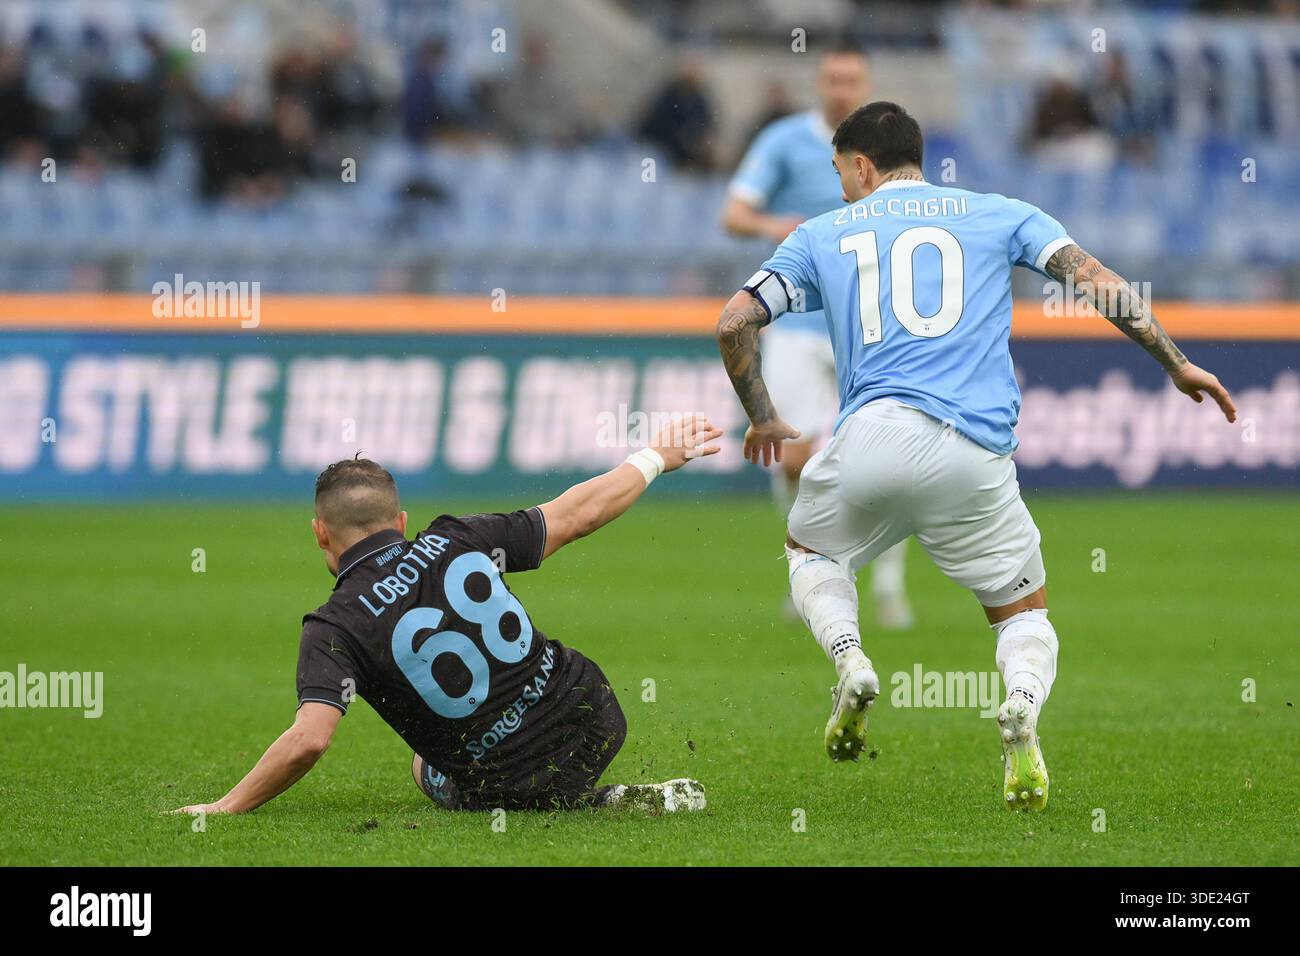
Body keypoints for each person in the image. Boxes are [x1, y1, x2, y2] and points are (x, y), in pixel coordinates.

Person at [715, 102, 1236, 810]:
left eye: (841, 173)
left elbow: (734, 321)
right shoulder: (1003, 213)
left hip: (869, 437)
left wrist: (765, 416)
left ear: (862, 166)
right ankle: (1020, 705)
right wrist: (1175, 364)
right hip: (975, 454)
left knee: (809, 552)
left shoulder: (820, 233)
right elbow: (1098, 282)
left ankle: (851, 660)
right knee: (1024, 613)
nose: (841, 188)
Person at [173, 418, 722, 816]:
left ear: (319, 532)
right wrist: (653, 458)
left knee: (424, 764)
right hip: (596, 716)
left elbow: (311, 739)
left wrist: (225, 807)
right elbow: (576, 515)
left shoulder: (333, 626)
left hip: (511, 782)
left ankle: (594, 804)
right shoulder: (457, 536)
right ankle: (590, 793)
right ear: (402, 519)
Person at [721, 42, 912, 629]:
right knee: (793, 456)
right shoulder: (784, 141)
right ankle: (809, 572)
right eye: (832, 79)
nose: (841, 89)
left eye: (851, 79)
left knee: (892, 454)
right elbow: (733, 214)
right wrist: (773, 224)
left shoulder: (886, 146)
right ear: (820, 82)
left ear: (865, 82)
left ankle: (887, 585)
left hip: (873, 322)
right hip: (800, 325)